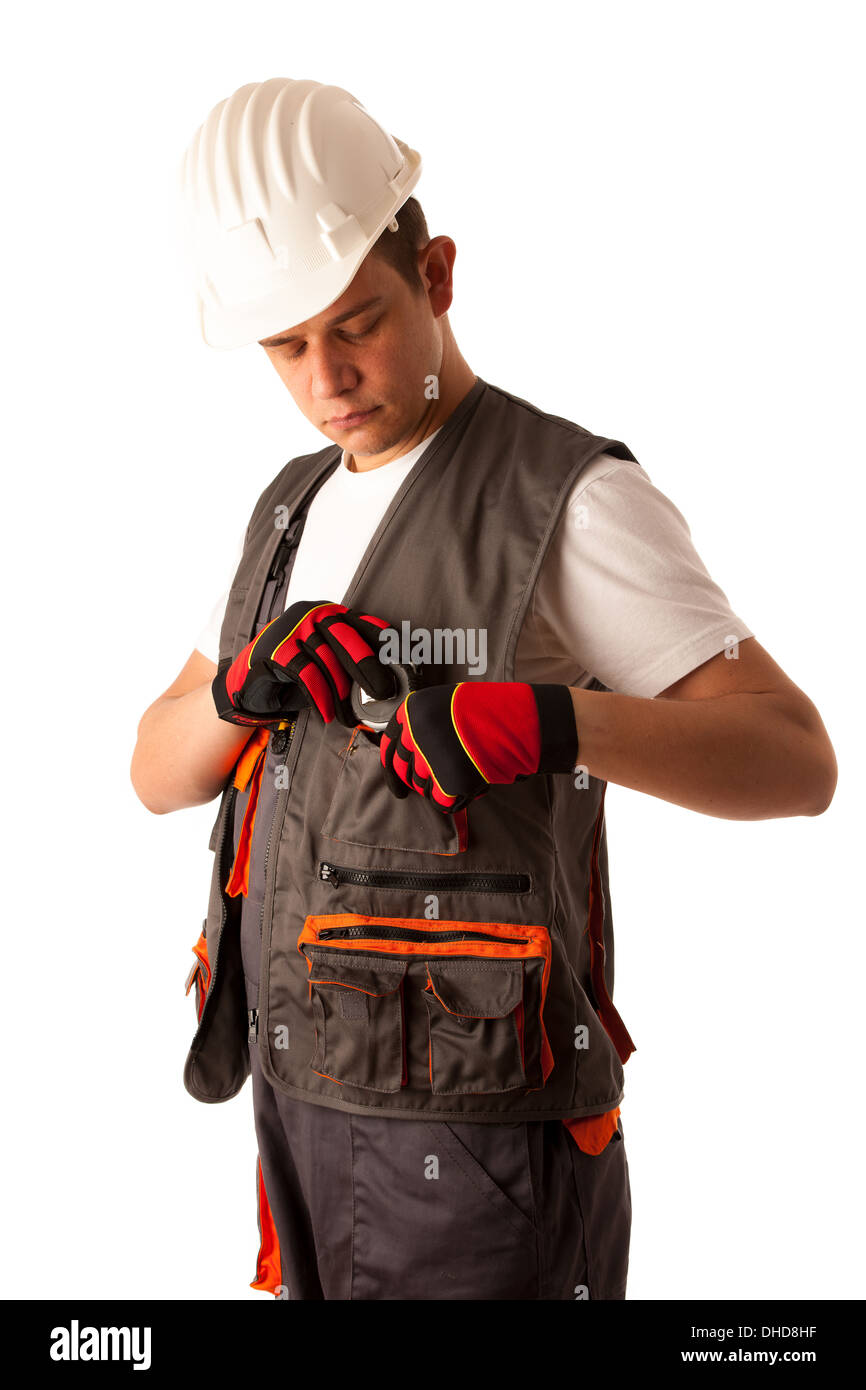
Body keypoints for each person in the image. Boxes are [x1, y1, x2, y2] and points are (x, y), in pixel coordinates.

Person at [130, 78, 837, 1301]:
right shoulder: (290, 510)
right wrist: (238, 692)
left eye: (356, 324)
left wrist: (555, 721)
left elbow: (795, 758)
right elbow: (154, 770)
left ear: (437, 274)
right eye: (285, 347)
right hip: (303, 1119)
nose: (326, 379)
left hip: (483, 1159)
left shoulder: (567, 499)